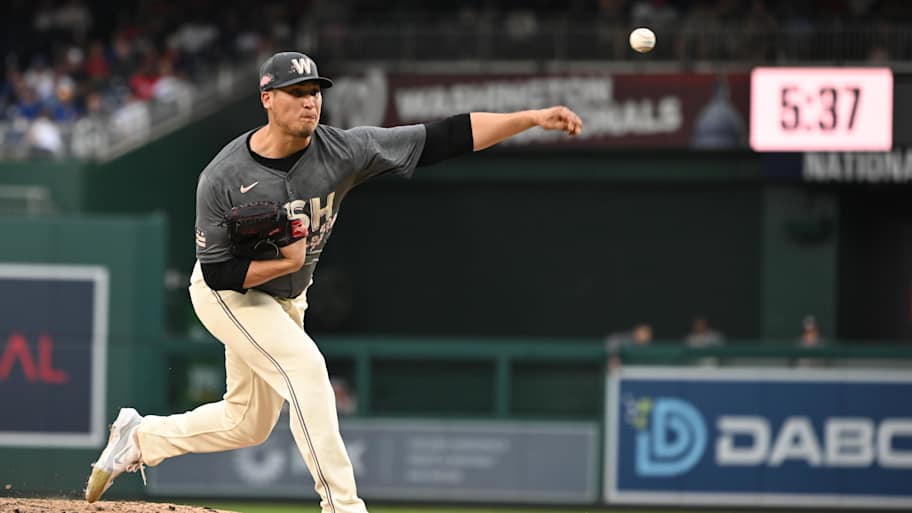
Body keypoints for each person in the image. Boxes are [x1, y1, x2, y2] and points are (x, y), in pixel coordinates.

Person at [84, 51, 583, 508]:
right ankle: (343, 506)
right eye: (297, 93)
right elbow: (217, 272)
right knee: (306, 369)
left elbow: (443, 137)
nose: (310, 103)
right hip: (227, 295)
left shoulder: (343, 150)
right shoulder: (222, 176)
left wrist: (531, 119)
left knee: (247, 424)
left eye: (315, 92)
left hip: (285, 300)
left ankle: (140, 439)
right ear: (267, 99)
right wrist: (283, 263)